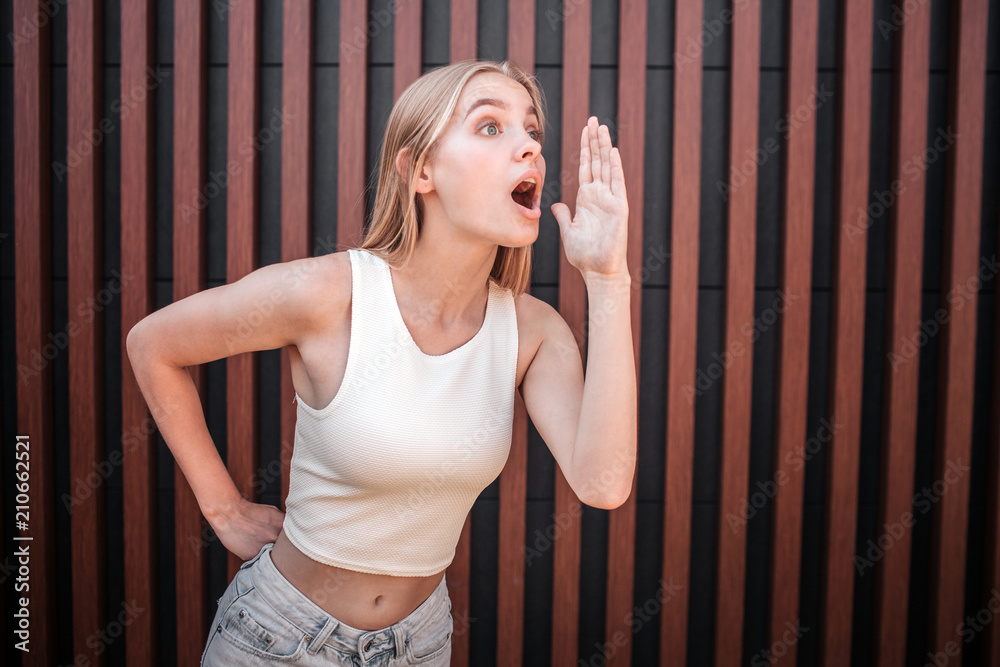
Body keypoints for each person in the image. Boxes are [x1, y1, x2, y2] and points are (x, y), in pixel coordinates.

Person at [126, 59, 637, 666]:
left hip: (420, 645)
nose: (530, 146)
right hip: (277, 640)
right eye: (490, 127)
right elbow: (153, 345)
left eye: (532, 131)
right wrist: (224, 510)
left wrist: (608, 278)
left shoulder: (533, 332)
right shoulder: (325, 294)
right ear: (420, 170)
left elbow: (603, 484)